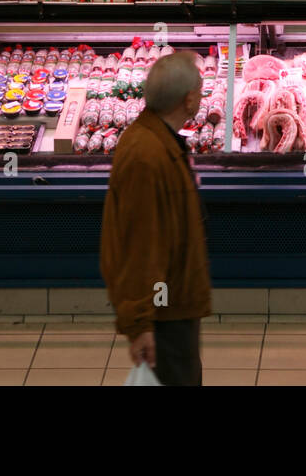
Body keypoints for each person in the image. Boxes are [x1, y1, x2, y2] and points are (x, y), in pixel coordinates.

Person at [100, 51, 213, 385]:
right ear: (189, 99)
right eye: (200, 90)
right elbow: (140, 246)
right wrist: (141, 324)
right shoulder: (147, 156)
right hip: (165, 309)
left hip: (174, 302)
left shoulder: (156, 140)